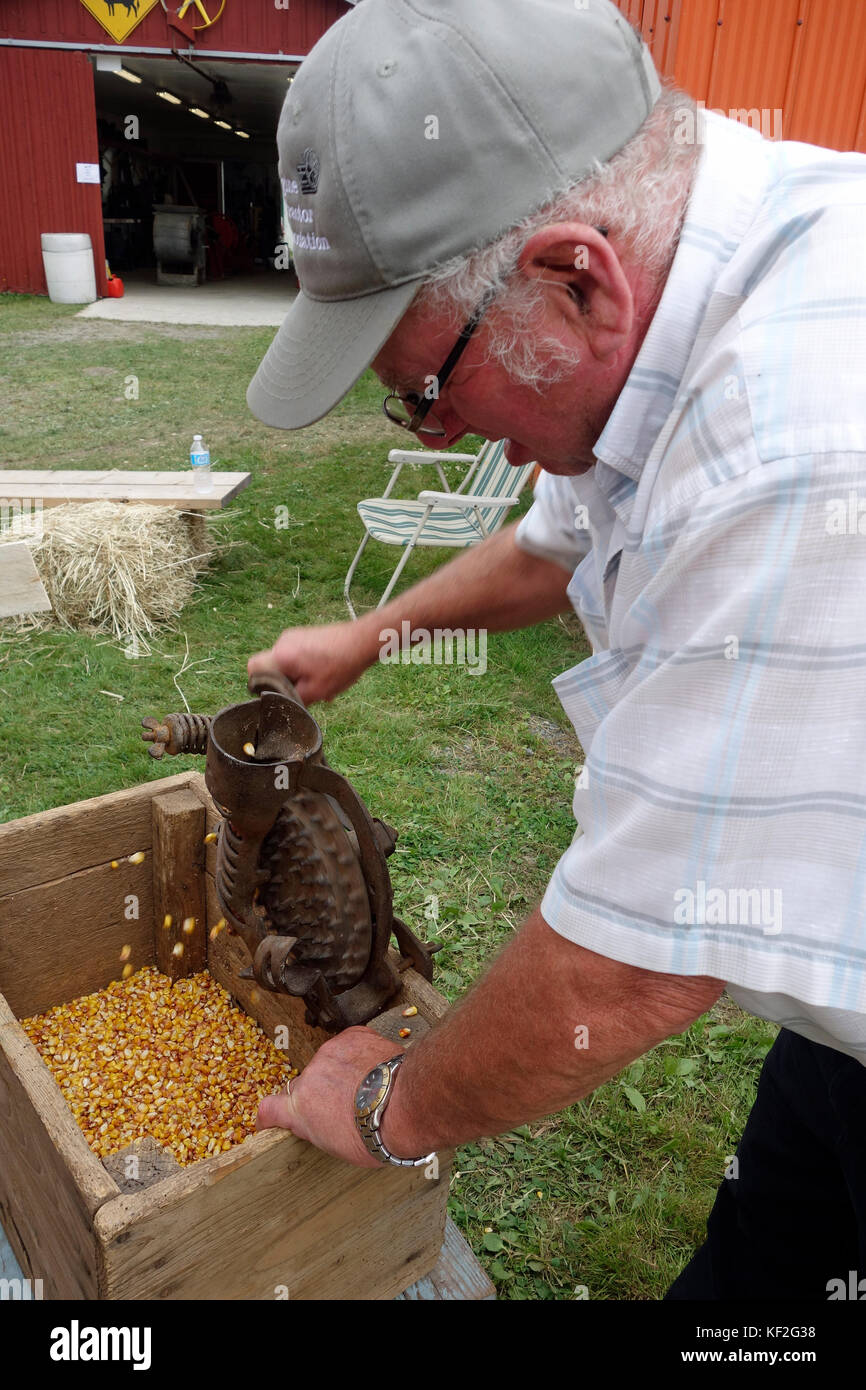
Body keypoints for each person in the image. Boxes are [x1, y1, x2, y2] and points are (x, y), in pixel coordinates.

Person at [244, 0, 866, 1299]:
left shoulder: (796, 439)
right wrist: (371, 632)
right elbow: (557, 544)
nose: (426, 436)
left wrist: (383, 1106)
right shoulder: (666, 305)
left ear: (575, 275)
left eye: (425, 390)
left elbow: (636, 960)